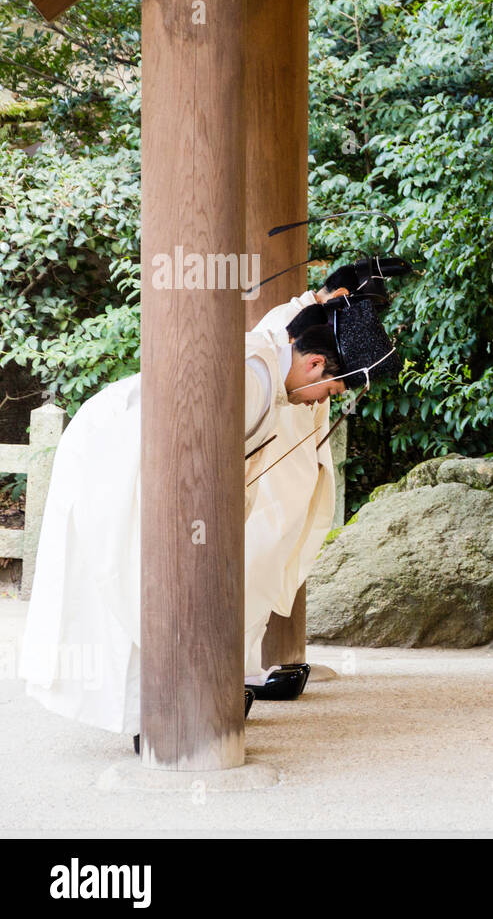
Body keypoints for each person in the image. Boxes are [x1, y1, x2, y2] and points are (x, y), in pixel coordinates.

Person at [19, 275, 400, 743]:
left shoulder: (275, 359)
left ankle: (162, 711)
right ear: (316, 363)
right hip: (118, 454)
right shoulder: (255, 377)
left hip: (136, 451)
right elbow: (195, 463)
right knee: (136, 580)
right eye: (332, 391)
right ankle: (161, 718)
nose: (324, 400)